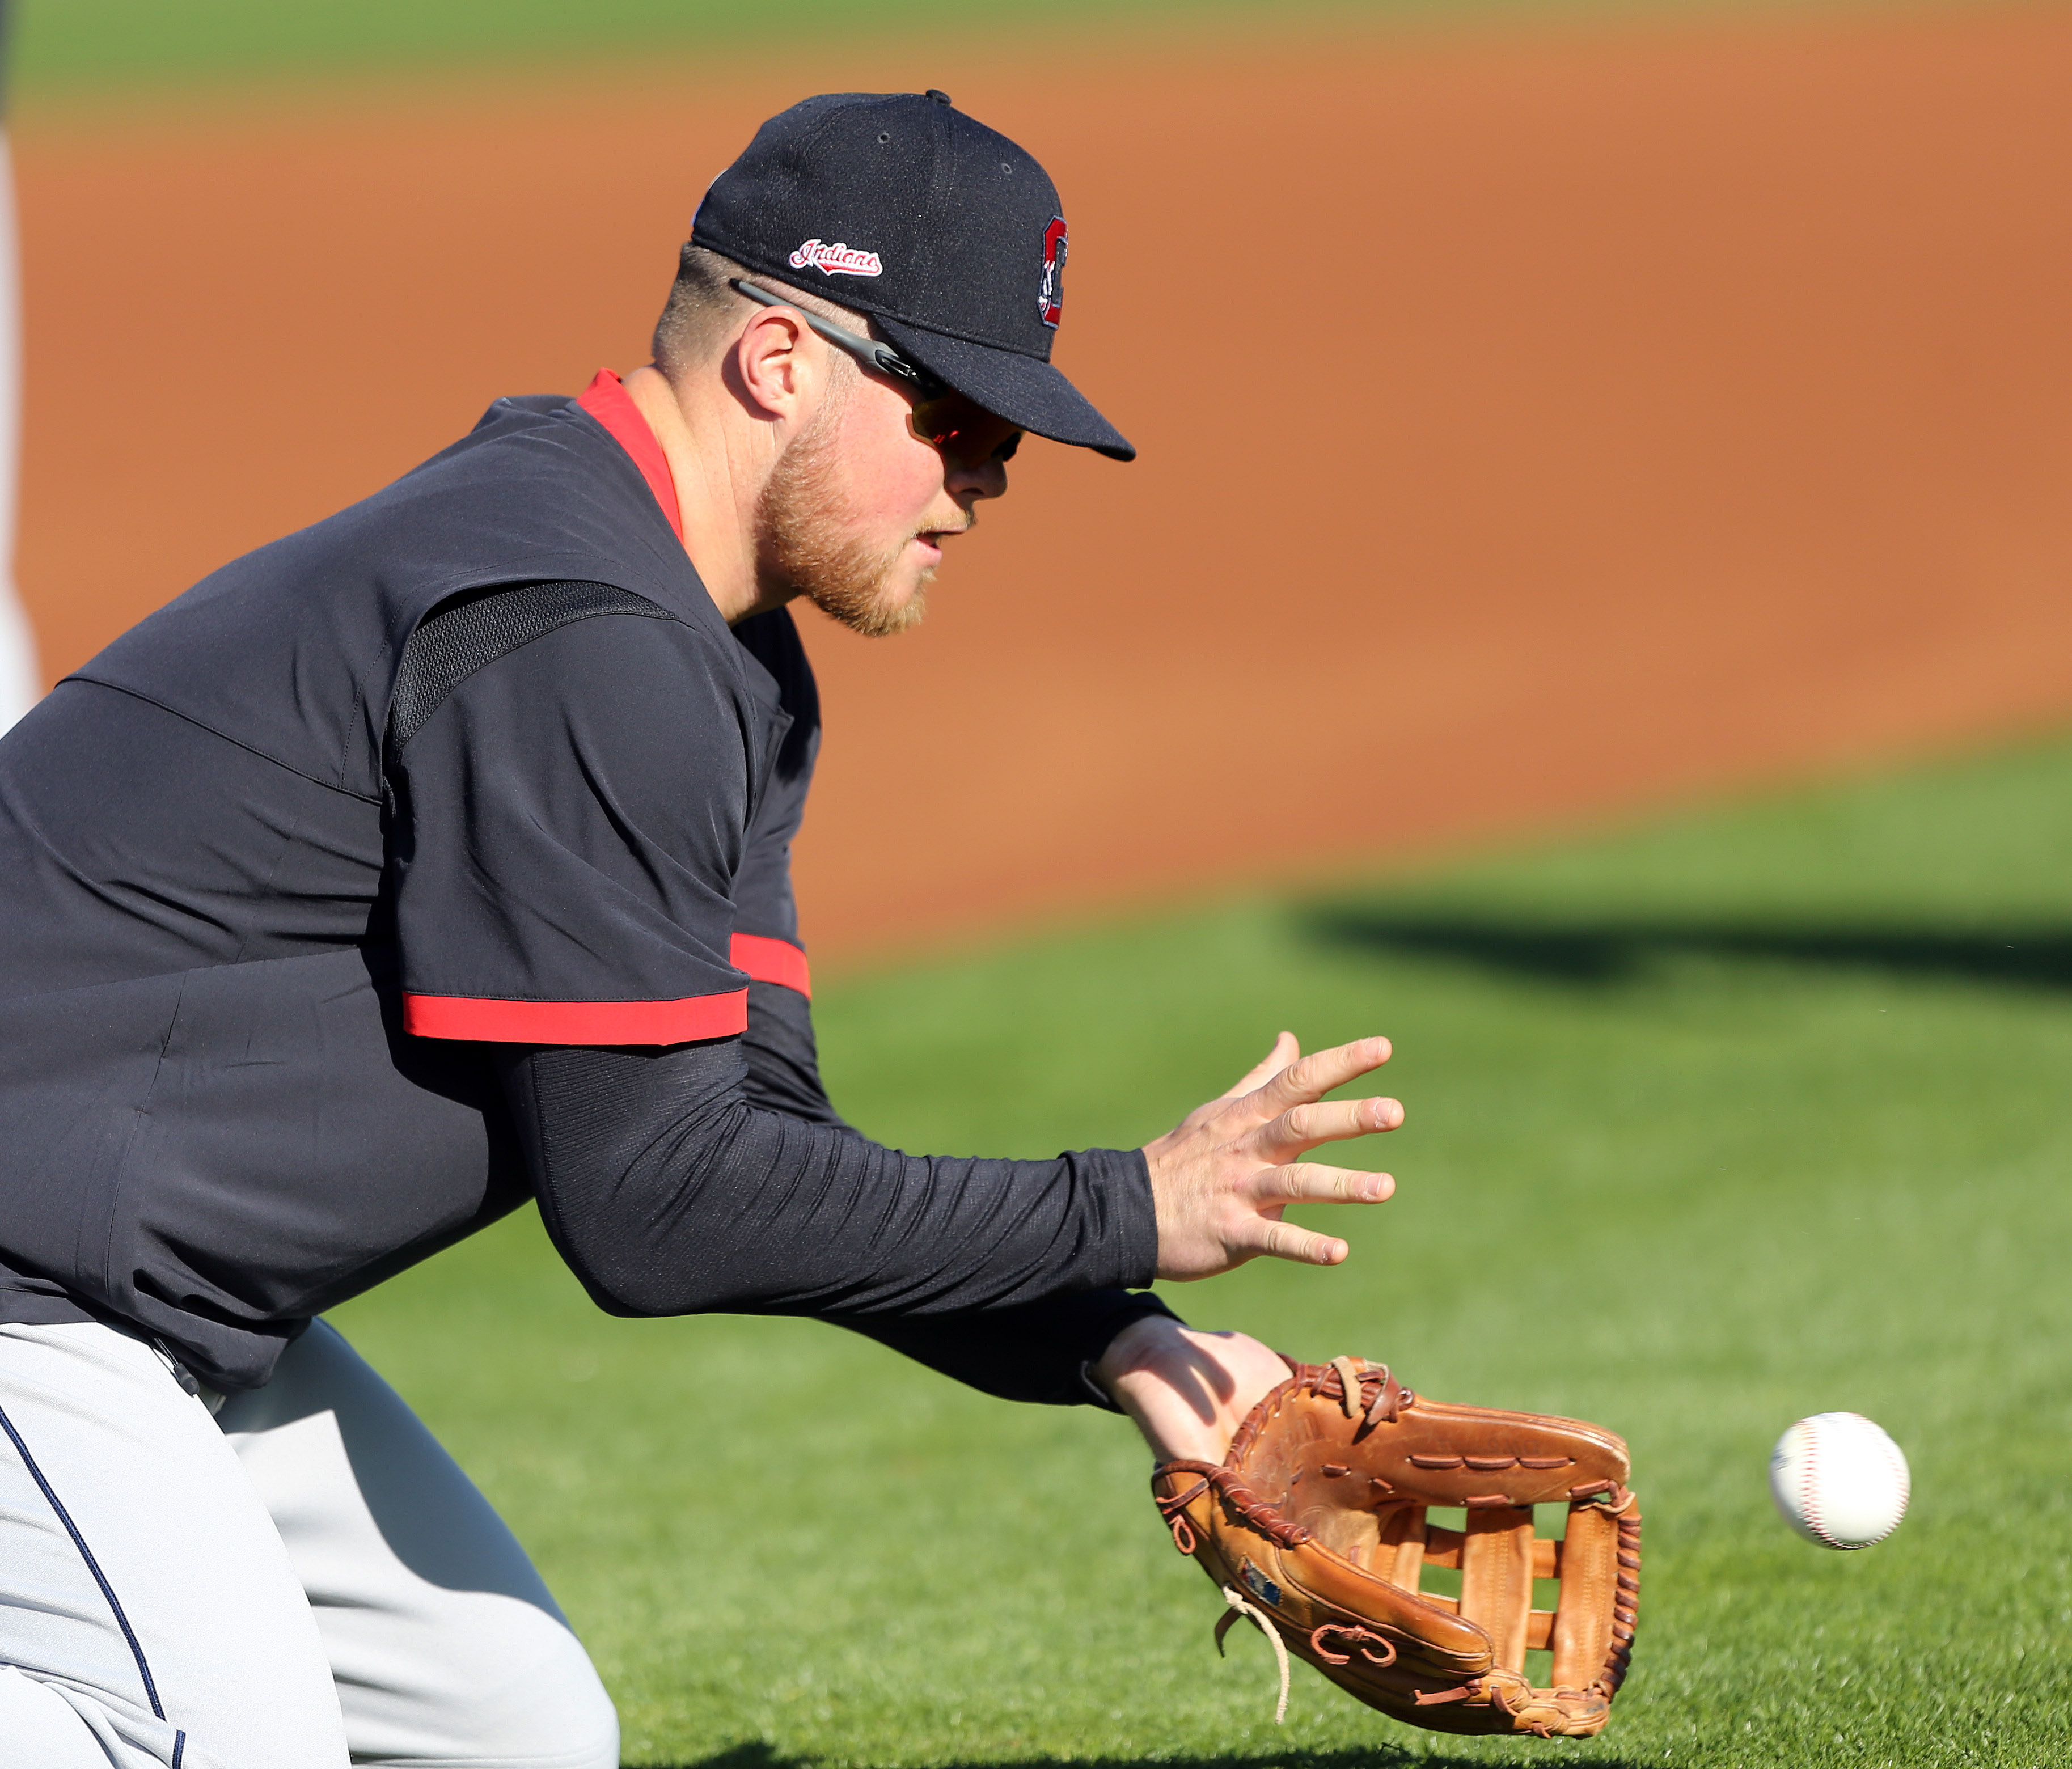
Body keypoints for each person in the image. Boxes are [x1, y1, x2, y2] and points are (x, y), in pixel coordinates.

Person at [0, 90, 1402, 1769]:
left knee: (512, 1739)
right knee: (209, 1740)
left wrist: (1114, 1330)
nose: (985, 484)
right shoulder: (577, 626)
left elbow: (753, 1151)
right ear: (782, 360)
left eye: (1006, 441)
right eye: (953, 415)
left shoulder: (716, 646)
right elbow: (649, 1211)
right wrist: (1120, 1207)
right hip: (33, 1295)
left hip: (137, 1310)